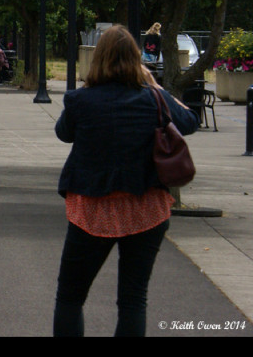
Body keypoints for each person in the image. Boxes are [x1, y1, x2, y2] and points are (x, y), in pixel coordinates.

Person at [53, 24, 199, 337]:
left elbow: (63, 133)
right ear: (137, 59)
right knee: (133, 299)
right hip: (146, 210)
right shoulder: (153, 99)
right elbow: (189, 122)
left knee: (70, 297)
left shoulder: (81, 100)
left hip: (92, 211)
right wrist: (156, 87)